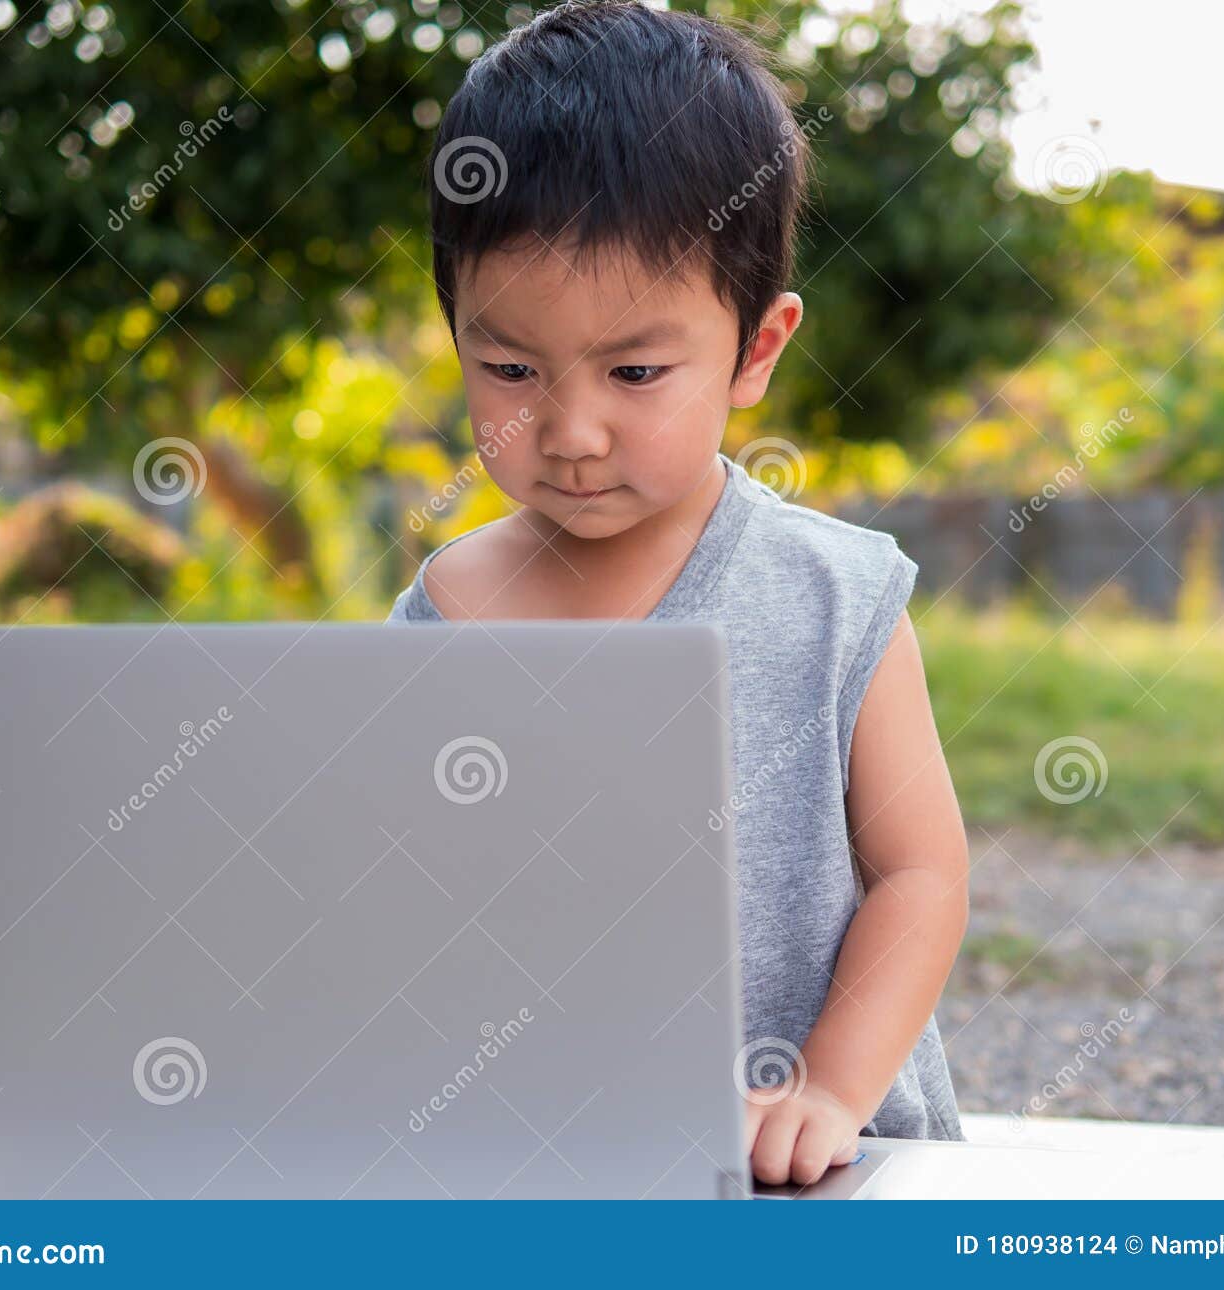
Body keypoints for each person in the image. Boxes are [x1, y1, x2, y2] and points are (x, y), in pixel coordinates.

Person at [388, 0, 969, 1187]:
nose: (571, 431)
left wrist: (830, 1084)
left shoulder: (833, 596)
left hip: (822, 1174)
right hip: (569, 1159)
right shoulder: (438, 613)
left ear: (756, 350)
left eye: (637, 371)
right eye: (508, 369)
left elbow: (921, 873)